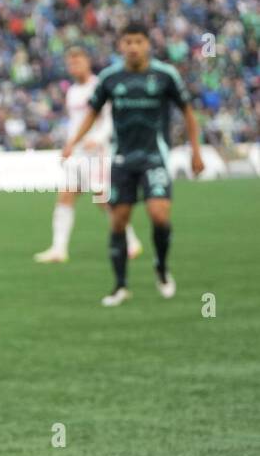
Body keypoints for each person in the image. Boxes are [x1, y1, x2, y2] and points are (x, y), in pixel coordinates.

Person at [62, 21, 205, 306]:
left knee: (160, 215)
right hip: (122, 159)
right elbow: (93, 112)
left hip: (154, 156)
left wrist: (196, 151)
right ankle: (120, 286)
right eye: (128, 42)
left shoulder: (165, 75)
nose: (133, 47)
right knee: (118, 221)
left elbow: (187, 113)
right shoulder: (110, 78)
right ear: (121, 45)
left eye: (138, 41)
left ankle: (162, 268)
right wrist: (73, 141)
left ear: (147, 44)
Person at [34, 46, 142, 263]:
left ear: (88, 62)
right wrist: (69, 145)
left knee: (103, 199)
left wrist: (100, 138)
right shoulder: (72, 91)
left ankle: (131, 241)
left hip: (98, 153)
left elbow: (112, 117)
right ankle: (58, 249)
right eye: (70, 62)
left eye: (77, 61)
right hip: (79, 153)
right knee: (66, 196)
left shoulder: (99, 86)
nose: (73, 66)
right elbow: (75, 124)